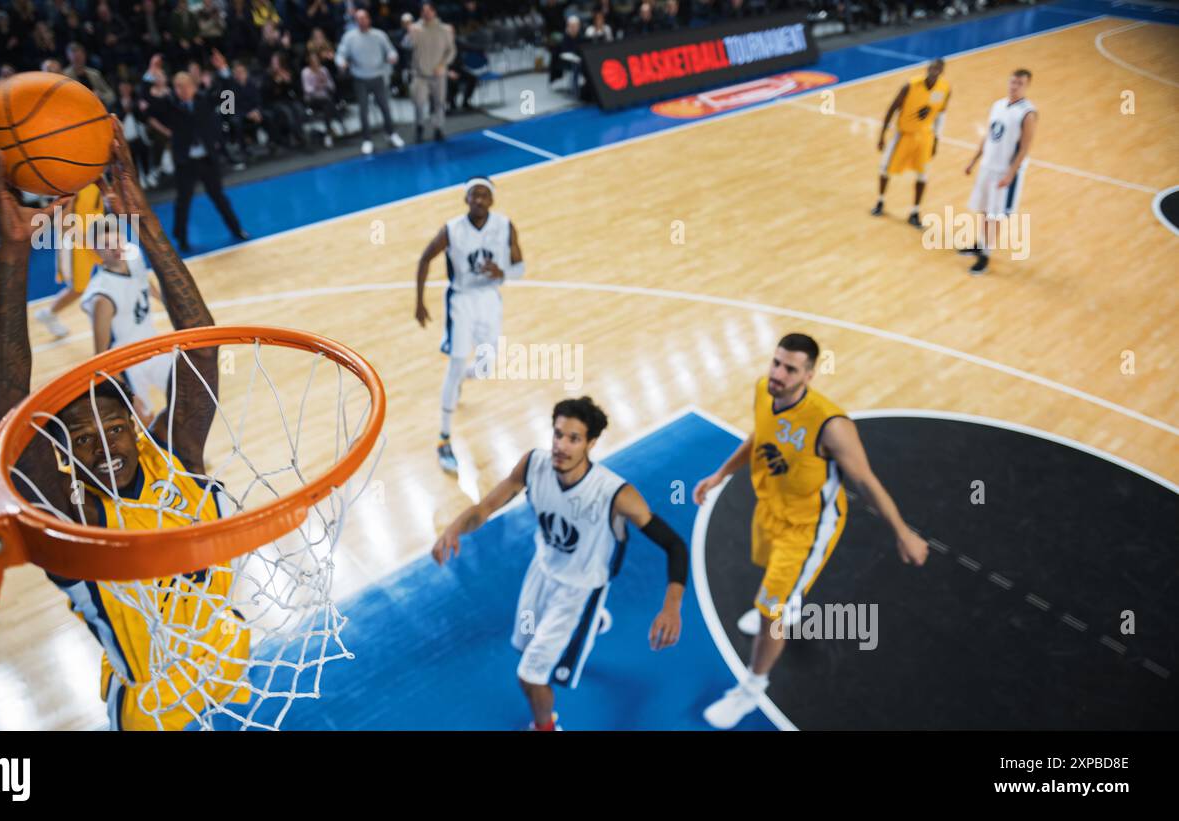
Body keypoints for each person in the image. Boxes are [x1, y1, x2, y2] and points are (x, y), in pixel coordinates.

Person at [0, 121, 250, 731]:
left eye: (109, 425)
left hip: (228, 657)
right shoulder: (77, 523)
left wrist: (148, 226)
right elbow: (5, 412)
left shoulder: (175, 458)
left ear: (134, 420)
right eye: (75, 437)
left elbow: (200, 352)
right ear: (62, 455)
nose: (99, 446)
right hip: (151, 708)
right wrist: (14, 256)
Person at [694, 334, 929, 729]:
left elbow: (866, 481)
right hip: (771, 511)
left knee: (772, 613)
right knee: (769, 579)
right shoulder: (763, 392)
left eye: (790, 369)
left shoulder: (829, 424)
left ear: (809, 374)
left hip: (807, 530)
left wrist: (902, 531)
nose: (778, 374)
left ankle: (751, 689)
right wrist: (720, 474)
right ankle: (788, 601)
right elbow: (760, 438)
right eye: (776, 363)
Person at [432, 396, 687, 731]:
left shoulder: (614, 493)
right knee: (522, 643)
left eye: (574, 439)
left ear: (591, 443)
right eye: (558, 434)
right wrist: (453, 528)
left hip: (581, 589)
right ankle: (592, 623)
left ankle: (546, 727)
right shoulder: (533, 465)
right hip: (542, 571)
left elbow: (674, 545)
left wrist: (671, 607)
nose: (561, 446)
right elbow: (486, 507)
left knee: (530, 675)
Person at [414, 176, 524, 474]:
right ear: (466, 199)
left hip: (489, 299)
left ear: (492, 200)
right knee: (455, 365)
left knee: (486, 367)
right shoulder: (452, 230)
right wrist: (420, 301)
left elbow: (520, 268)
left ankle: (460, 378)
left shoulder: (505, 226)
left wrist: (504, 271)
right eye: (473, 195)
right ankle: (444, 438)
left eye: (484, 195)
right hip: (461, 301)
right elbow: (424, 259)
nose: (478, 200)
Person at [80, 234, 168, 425]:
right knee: (146, 421)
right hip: (128, 364)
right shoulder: (102, 297)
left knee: (185, 396)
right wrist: (128, 396)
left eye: (117, 241)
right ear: (95, 251)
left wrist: (165, 301)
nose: (115, 248)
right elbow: (101, 356)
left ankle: (185, 451)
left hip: (155, 346)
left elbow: (143, 280)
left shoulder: (134, 255)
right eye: (105, 245)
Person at [161, 69, 249, 253]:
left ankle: (236, 229)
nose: (182, 90)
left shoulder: (205, 100)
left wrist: (224, 71)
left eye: (185, 86)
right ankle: (182, 238)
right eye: (178, 87)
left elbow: (228, 92)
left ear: (193, 87)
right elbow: (149, 107)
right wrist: (151, 78)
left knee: (219, 197)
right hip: (186, 162)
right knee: (182, 203)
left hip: (207, 159)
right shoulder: (170, 106)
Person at [963, 68, 1037, 275]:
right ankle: (979, 244)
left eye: (1019, 84)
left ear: (1026, 86)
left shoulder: (1028, 114)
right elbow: (988, 136)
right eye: (1012, 82)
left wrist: (1010, 174)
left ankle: (985, 255)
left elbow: (1024, 148)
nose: (1014, 86)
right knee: (983, 210)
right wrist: (973, 161)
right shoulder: (997, 105)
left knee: (994, 216)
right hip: (987, 166)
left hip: (1004, 173)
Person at [872, 58, 949, 228]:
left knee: (922, 175)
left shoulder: (944, 89)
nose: (933, 71)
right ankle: (880, 202)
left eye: (937, 69)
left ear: (941, 72)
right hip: (903, 134)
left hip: (924, 136)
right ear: (927, 69)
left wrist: (936, 140)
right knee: (885, 168)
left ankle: (915, 212)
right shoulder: (910, 86)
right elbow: (892, 109)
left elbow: (941, 116)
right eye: (931, 68)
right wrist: (882, 135)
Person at [35, 182, 104, 339]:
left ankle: (109, 316)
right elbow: (63, 223)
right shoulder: (70, 183)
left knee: (110, 274)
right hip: (75, 242)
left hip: (96, 237)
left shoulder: (96, 180)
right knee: (78, 288)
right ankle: (49, 313)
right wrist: (88, 241)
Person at [335, 8, 405, 155]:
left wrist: (392, 56)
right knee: (363, 110)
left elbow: (391, 50)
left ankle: (391, 134)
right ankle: (367, 140)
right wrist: (341, 62)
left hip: (378, 76)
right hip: (360, 78)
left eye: (364, 18)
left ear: (369, 19)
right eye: (359, 19)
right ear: (356, 21)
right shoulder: (349, 37)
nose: (362, 21)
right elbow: (340, 54)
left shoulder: (379, 35)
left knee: (385, 107)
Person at [406, 2, 455, 144]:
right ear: (421, 13)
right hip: (420, 75)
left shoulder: (445, 29)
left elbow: (451, 51)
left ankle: (438, 128)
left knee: (439, 103)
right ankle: (420, 127)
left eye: (429, 11)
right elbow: (407, 46)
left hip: (439, 75)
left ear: (434, 12)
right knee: (419, 103)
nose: (426, 13)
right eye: (424, 11)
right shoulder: (415, 29)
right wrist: (409, 34)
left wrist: (443, 65)